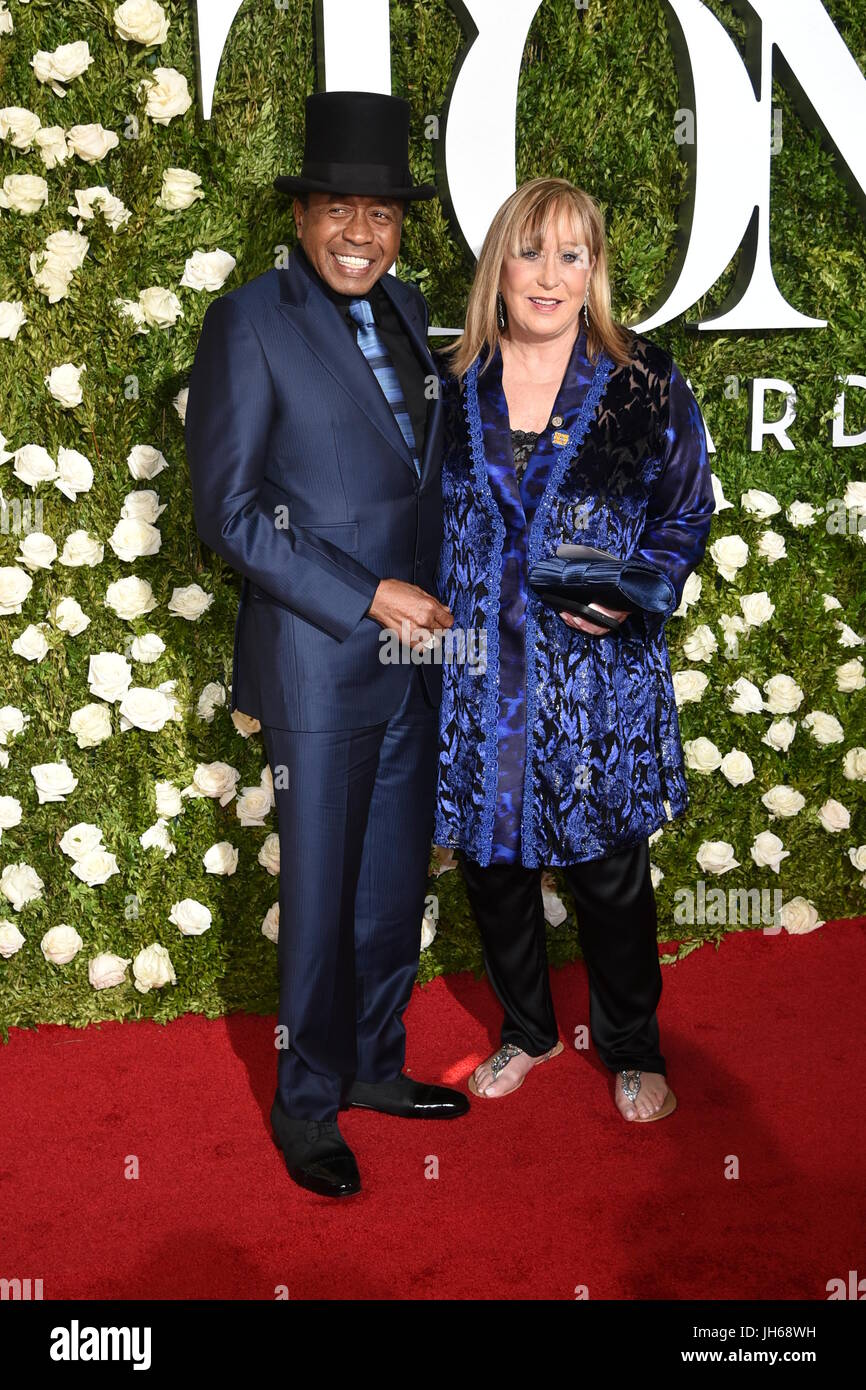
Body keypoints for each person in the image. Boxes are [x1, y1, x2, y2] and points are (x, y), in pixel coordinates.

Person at [185, 91, 467, 1200]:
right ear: (302, 215)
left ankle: (376, 1066)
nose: (363, 232)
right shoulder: (249, 321)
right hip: (318, 655)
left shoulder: (405, 305)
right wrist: (368, 599)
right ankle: (306, 1102)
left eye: (383, 213)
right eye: (340, 208)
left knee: (390, 881)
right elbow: (234, 511)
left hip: (415, 656)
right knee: (318, 891)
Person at [433, 177, 715, 1122]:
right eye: (530, 251)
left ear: (594, 268)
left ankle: (633, 1046)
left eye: (571, 255)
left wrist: (637, 597)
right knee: (494, 866)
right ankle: (528, 1032)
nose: (548, 276)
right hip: (479, 675)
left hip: (597, 678)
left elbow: (682, 513)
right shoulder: (455, 381)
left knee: (607, 871)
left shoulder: (638, 380)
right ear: (498, 266)